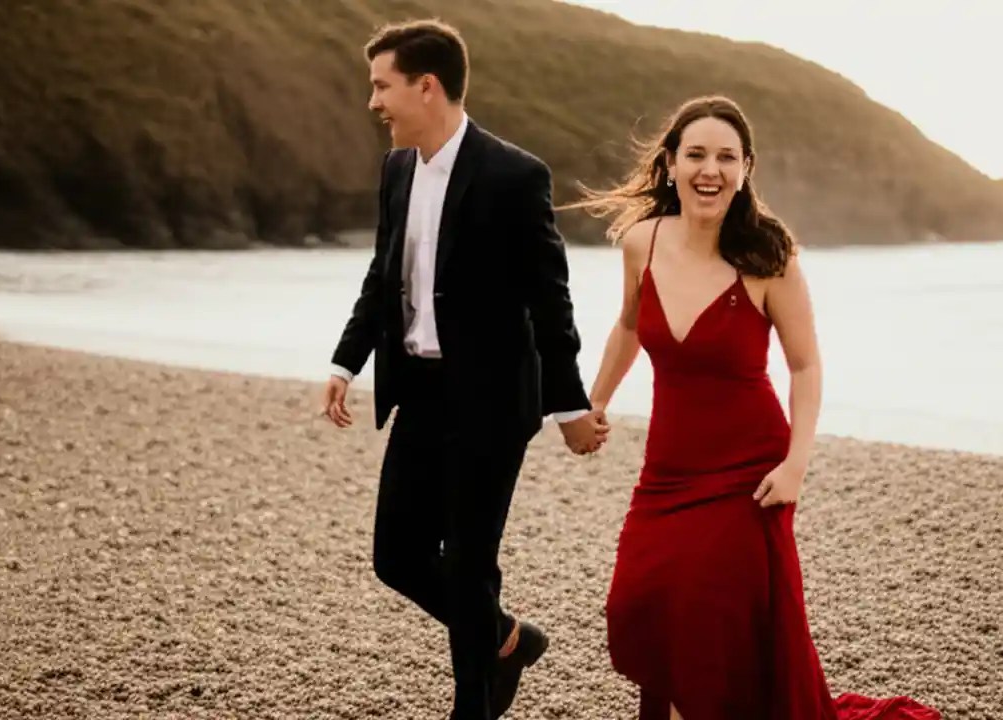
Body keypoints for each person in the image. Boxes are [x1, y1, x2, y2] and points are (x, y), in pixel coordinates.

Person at [570, 96, 940, 719]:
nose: (709, 169)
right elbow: (631, 326)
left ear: (745, 169)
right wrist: (594, 402)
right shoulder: (642, 242)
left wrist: (798, 463)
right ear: (670, 164)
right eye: (696, 155)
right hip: (669, 468)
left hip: (750, 468)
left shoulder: (770, 257)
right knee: (640, 602)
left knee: (715, 620)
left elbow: (805, 365)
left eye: (725, 157)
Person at [322, 20, 610, 720]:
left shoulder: (514, 175)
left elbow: (551, 300)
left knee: (470, 560)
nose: (374, 103)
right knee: (396, 554)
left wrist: (569, 407)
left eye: (381, 86)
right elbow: (382, 274)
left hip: (490, 400)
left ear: (426, 86)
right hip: (419, 391)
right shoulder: (395, 170)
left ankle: (472, 705)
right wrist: (346, 359)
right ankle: (510, 641)